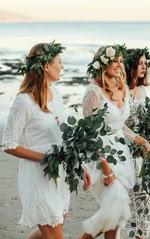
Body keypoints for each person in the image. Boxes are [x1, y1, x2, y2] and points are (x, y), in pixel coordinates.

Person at [79, 44, 150, 239]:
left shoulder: (124, 88)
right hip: (100, 156)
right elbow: (88, 133)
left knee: (116, 219)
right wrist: (105, 167)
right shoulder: (93, 92)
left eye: (121, 61)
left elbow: (119, 125)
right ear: (102, 63)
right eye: (114, 61)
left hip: (122, 154)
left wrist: (139, 139)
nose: (119, 65)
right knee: (114, 211)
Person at [1, 41, 70, 239]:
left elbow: (60, 133)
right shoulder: (23, 101)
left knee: (46, 232)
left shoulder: (56, 93)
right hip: (37, 176)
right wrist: (45, 158)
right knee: (54, 235)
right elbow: (8, 144)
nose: (62, 67)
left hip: (59, 175)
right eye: (59, 62)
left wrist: (78, 166)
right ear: (47, 66)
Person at [125, 47, 150, 239]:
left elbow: (147, 122)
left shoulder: (142, 90)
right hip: (125, 150)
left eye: (145, 63)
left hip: (142, 151)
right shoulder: (122, 90)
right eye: (140, 63)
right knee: (130, 202)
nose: (144, 66)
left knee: (144, 201)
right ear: (130, 66)